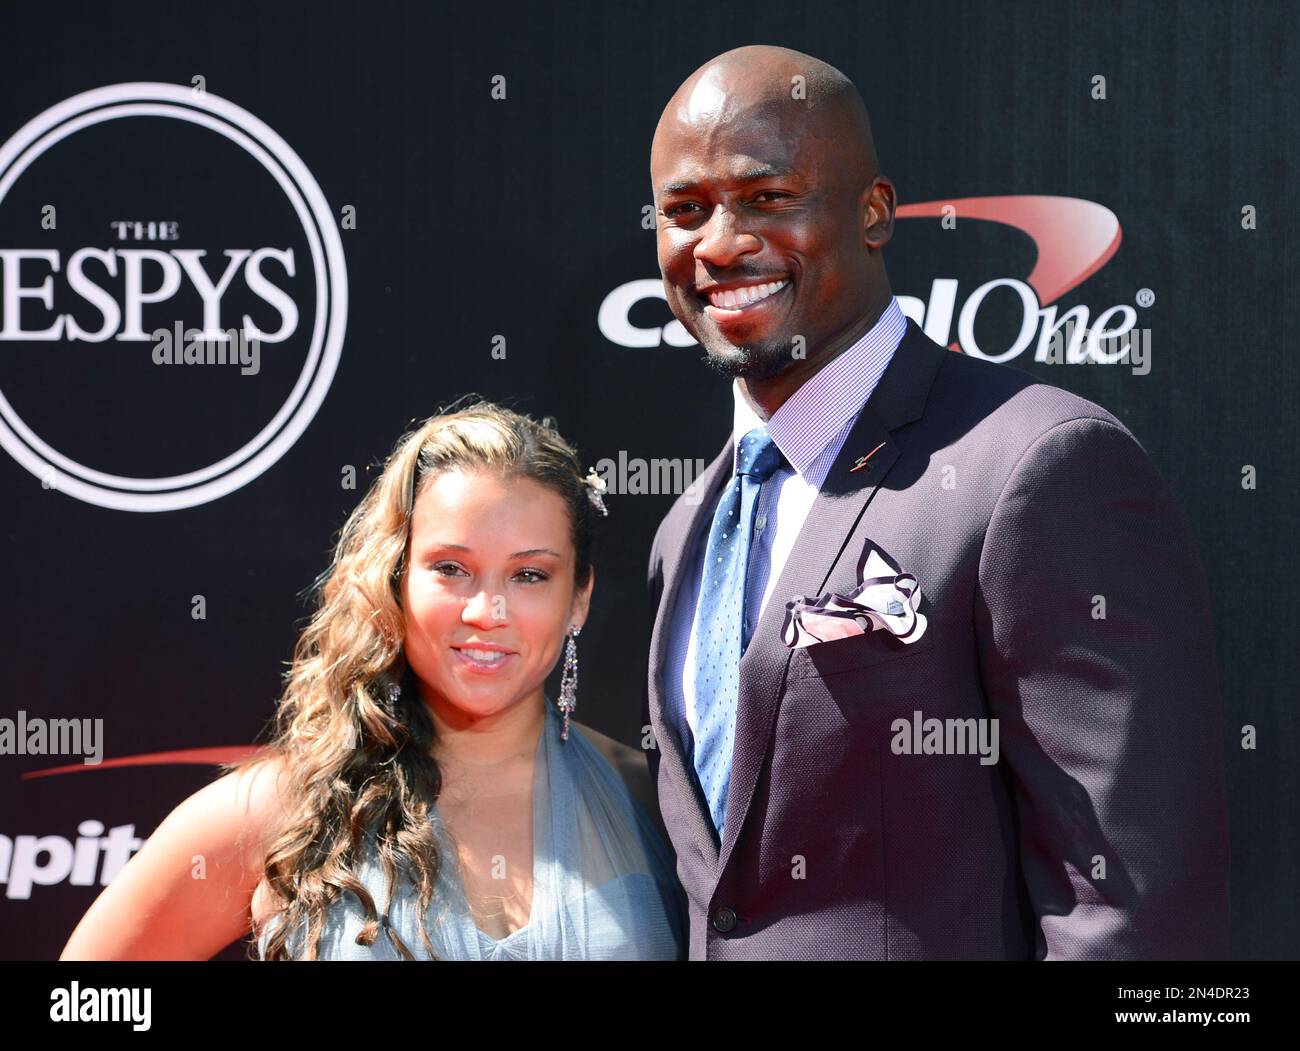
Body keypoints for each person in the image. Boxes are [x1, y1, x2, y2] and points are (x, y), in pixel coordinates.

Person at [643, 45, 1229, 959]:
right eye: (686, 211)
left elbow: (1137, 911)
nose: (717, 243)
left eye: (766, 198)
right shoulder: (689, 530)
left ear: (874, 214)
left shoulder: (1036, 465)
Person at [61, 400, 686, 960]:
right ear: (396, 579)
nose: (486, 612)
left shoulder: (655, 802)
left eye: (529, 576)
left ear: (579, 598)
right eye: (451, 568)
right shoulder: (284, 807)